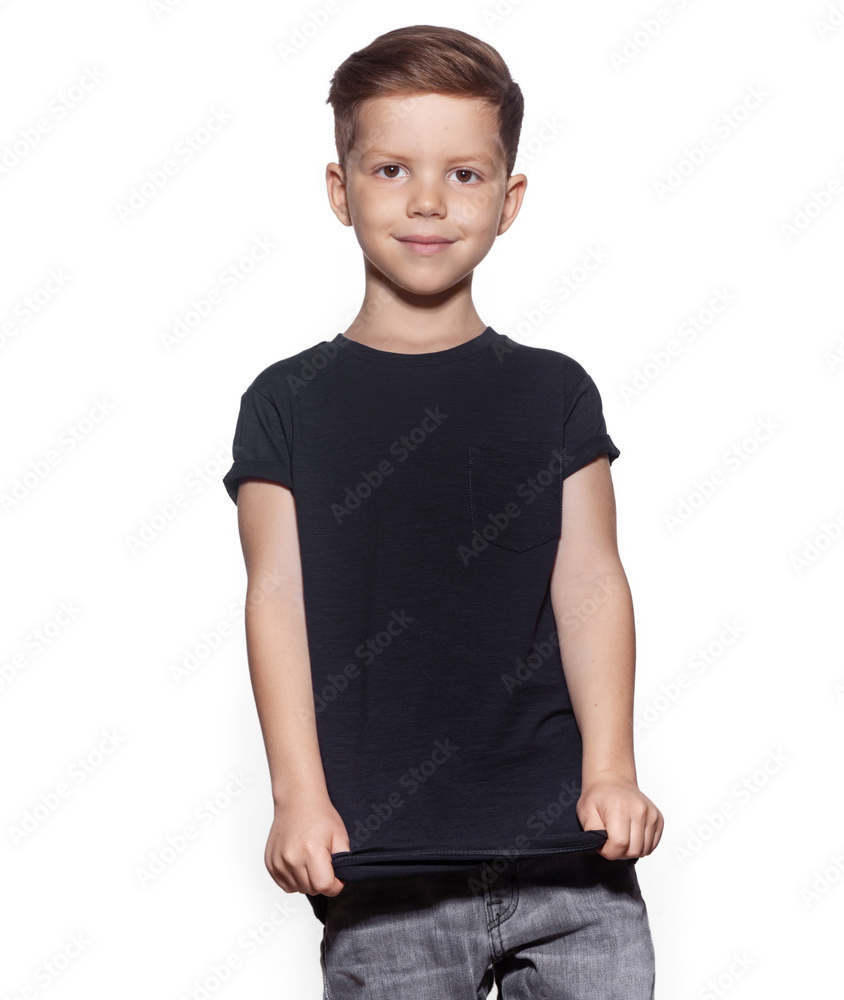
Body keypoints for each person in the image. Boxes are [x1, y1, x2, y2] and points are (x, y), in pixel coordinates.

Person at [223, 23, 664, 999]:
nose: (427, 200)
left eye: (463, 175)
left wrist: (613, 769)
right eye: (390, 168)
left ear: (507, 202)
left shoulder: (553, 392)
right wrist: (296, 795)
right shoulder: (286, 403)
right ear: (340, 189)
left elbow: (590, 579)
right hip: (385, 877)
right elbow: (276, 597)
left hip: (573, 864)